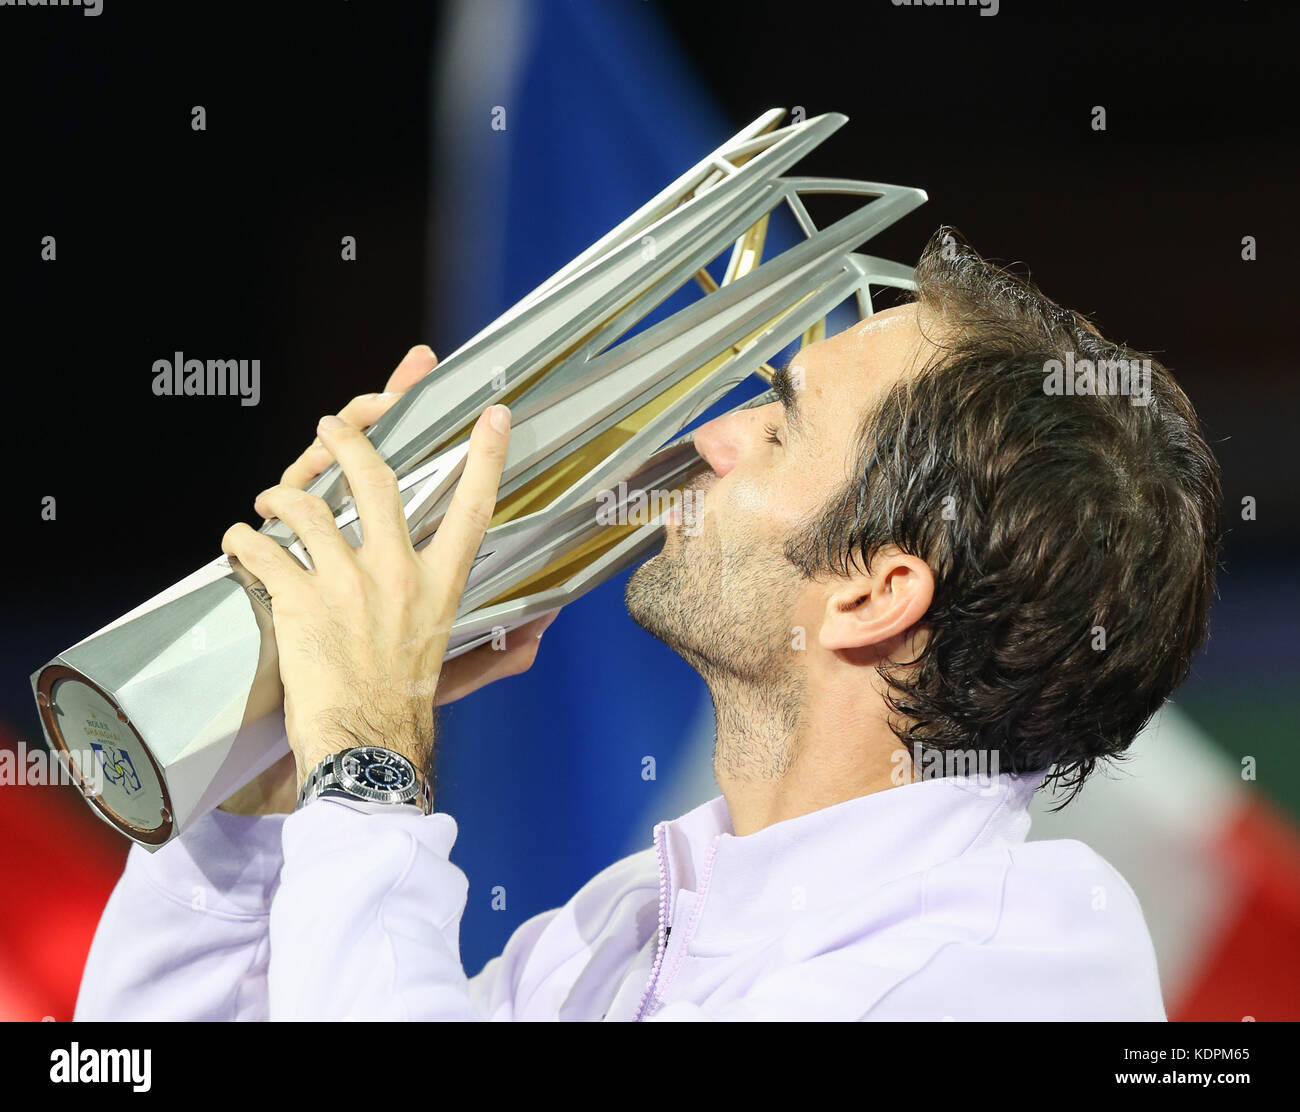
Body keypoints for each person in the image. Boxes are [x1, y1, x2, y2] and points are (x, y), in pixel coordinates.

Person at [74, 229, 1221, 1020]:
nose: (712, 437)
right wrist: (272, 773)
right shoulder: (625, 928)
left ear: (876, 592)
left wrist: (368, 767)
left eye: (778, 422)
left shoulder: (999, 968)